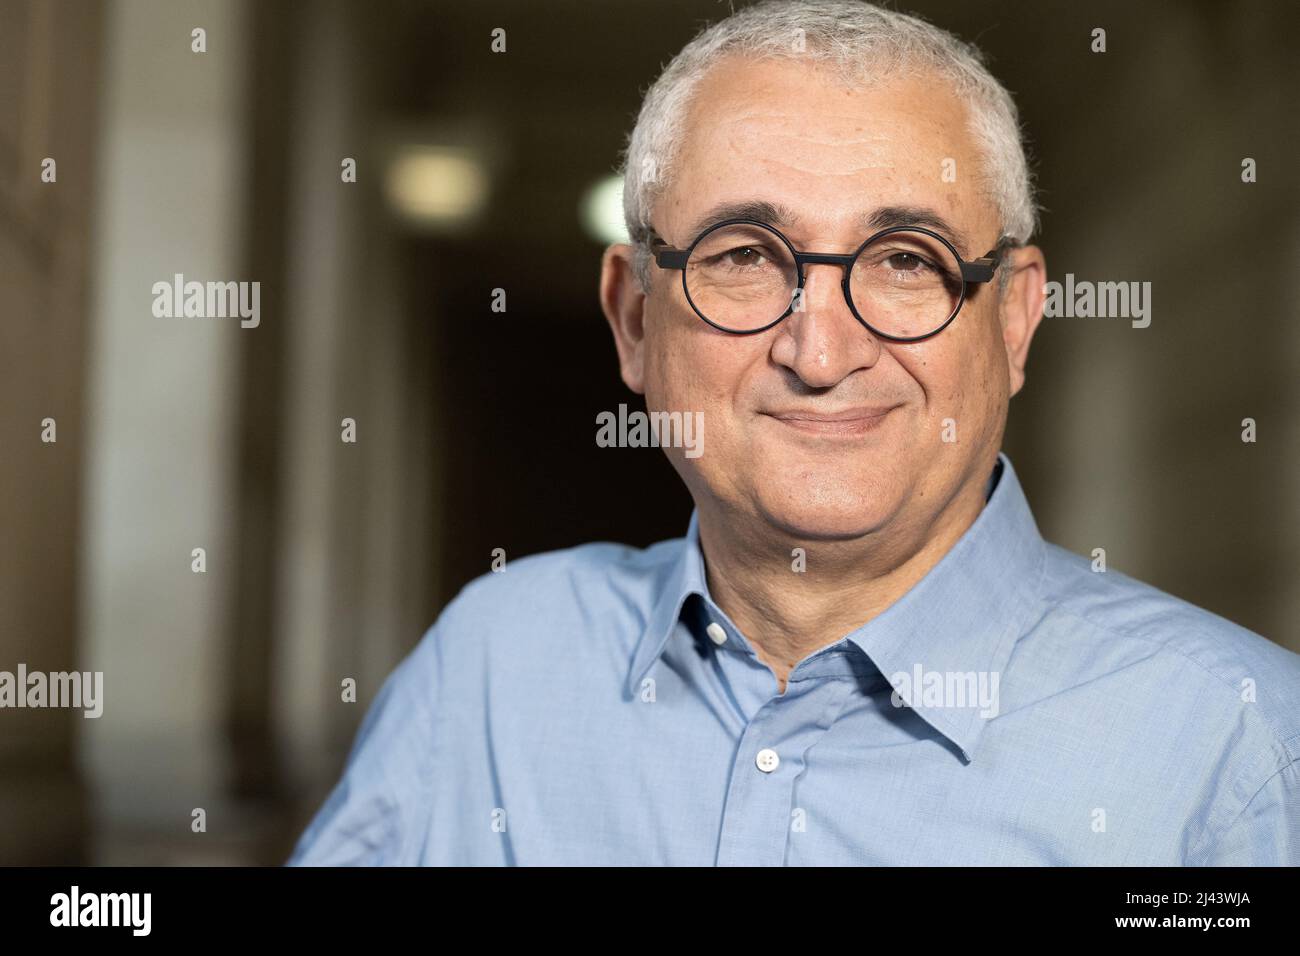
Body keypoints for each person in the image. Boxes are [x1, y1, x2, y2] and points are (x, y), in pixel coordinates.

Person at [288, 0, 1300, 865]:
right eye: (742, 255)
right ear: (634, 318)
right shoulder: (488, 669)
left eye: (907, 260)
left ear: (1013, 318)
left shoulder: (1239, 754)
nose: (819, 352)